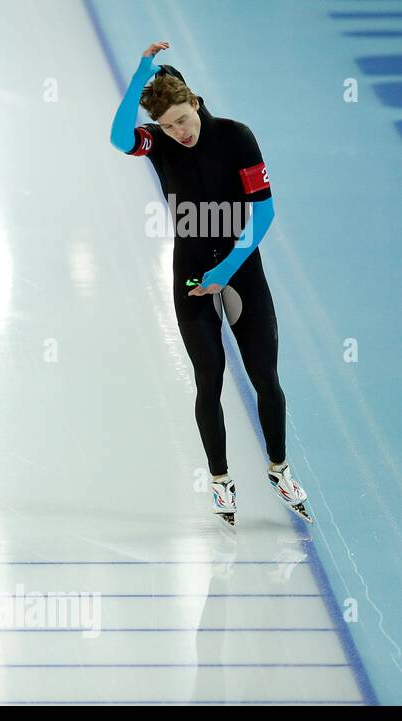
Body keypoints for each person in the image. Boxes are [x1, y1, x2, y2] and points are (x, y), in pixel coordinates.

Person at [109, 42, 310, 524]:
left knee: (266, 377)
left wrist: (224, 273)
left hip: (238, 271)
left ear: (196, 103)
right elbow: (119, 137)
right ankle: (220, 479)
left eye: (184, 119)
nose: (180, 132)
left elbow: (264, 212)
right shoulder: (158, 143)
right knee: (209, 380)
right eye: (169, 125)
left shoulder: (236, 136)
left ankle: (279, 468)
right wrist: (139, 73)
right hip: (191, 274)